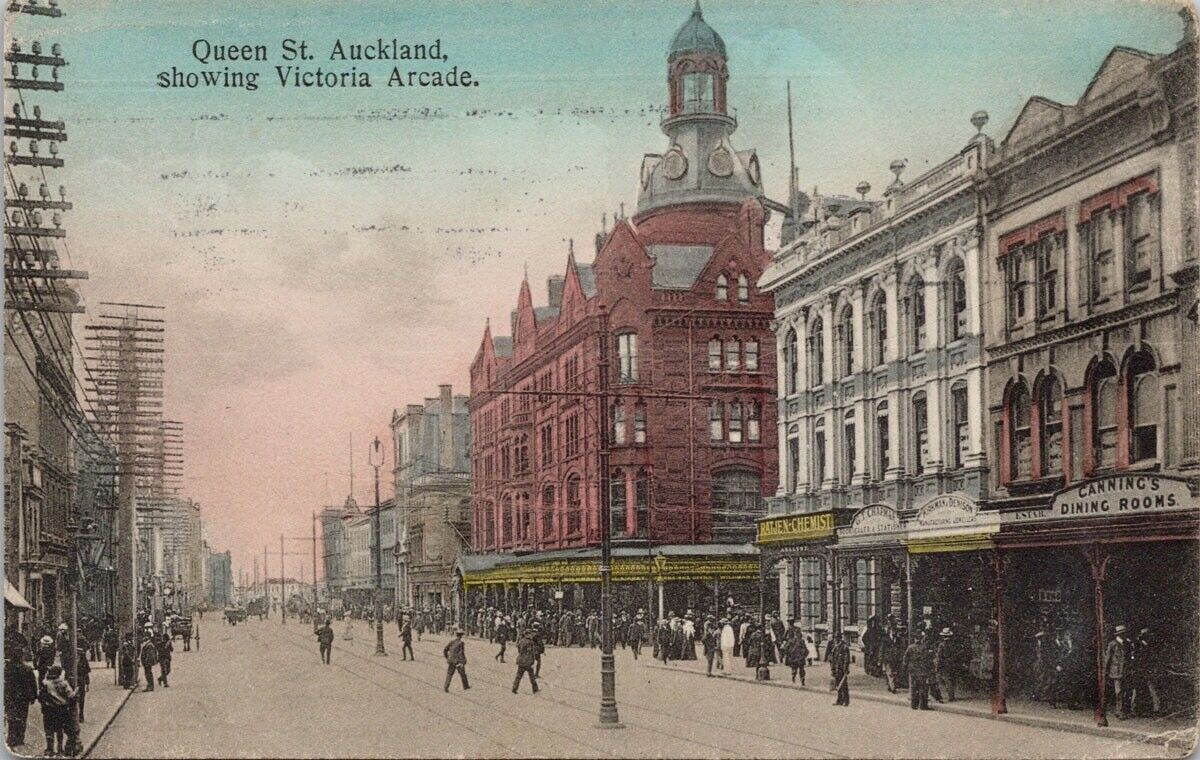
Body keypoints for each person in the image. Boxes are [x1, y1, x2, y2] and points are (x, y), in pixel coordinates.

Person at [39, 665, 78, 757]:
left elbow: (40, 696)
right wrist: (76, 691)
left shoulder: (45, 683)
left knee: (49, 730)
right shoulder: (63, 683)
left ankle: (50, 749)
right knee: (59, 729)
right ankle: (60, 749)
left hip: (48, 710)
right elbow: (70, 696)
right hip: (61, 709)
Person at [5, 652, 38, 749]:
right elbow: (33, 684)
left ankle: (11, 738)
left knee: (11, 717)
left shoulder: (7, 668)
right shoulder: (27, 669)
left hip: (11, 697)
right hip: (24, 698)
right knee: (22, 717)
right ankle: (20, 738)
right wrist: (34, 696)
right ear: (21, 657)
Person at [1104, 625, 1130, 720]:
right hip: (1116, 671)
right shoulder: (1112, 644)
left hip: (1125, 670)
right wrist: (1105, 671)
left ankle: (1121, 711)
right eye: (1123, 633)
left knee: (1125, 692)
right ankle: (1120, 711)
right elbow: (1108, 658)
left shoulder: (1126, 643)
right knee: (1118, 692)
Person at [904, 632, 933, 710]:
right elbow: (929, 660)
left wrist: (906, 667)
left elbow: (905, 659)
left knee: (914, 688)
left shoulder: (910, 648)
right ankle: (923, 705)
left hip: (913, 671)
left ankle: (914, 704)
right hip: (923, 671)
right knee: (923, 688)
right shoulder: (925, 648)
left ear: (915, 639)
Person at [512, 628, 540, 694]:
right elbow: (531, 652)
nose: (531, 635)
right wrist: (532, 660)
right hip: (527, 662)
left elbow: (519, 650)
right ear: (527, 635)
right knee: (532, 676)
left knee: (518, 676)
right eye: (530, 634)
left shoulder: (521, 641)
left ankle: (514, 688)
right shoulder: (530, 642)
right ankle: (535, 689)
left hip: (521, 660)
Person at [829, 632, 851, 706]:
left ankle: (846, 701)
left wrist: (845, 669)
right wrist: (832, 669)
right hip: (836, 669)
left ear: (840, 638)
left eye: (837, 638)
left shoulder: (844, 647)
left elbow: (846, 659)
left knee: (844, 685)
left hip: (842, 669)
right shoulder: (834, 647)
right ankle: (839, 700)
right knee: (837, 685)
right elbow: (832, 659)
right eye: (835, 638)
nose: (836, 639)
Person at [75, 644, 91, 722]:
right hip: (73, 682)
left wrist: (87, 684)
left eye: (79, 654)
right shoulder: (72, 662)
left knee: (81, 699)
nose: (78, 656)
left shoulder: (84, 662)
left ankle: (81, 714)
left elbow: (86, 673)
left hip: (81, 682)